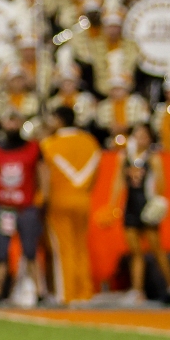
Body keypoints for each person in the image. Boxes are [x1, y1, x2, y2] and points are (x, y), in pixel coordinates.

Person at [107, 124, 170, 303]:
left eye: (144, 135)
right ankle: (137, 290)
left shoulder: (153, 159)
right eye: (137, 135)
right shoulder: (125, 158)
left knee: (156, 248)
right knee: (135, 251)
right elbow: (118, 182)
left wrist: (158, 204)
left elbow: (161, 185)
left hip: (147, 205)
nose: (140, 139)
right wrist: (112, 206)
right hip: (131, 206)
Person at [0, 111, 46, 307]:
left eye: (15, 121)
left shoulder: (33, 148)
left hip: (26, 207)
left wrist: (43, 197)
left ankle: (39, 290)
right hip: (5, 207)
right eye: (8, 120)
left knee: (30, 250)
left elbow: (43, 174)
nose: (11, 125)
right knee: (0, 252)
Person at [40, 106, 102, 304]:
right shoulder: (90, 142)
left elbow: (44, 176)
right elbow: (95, 176)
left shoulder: (50, 144)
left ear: (58, 120)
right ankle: (84, 291)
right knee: (80, 246)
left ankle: (67, 294)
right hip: (83, 199)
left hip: (59, 200)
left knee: (62, 248)